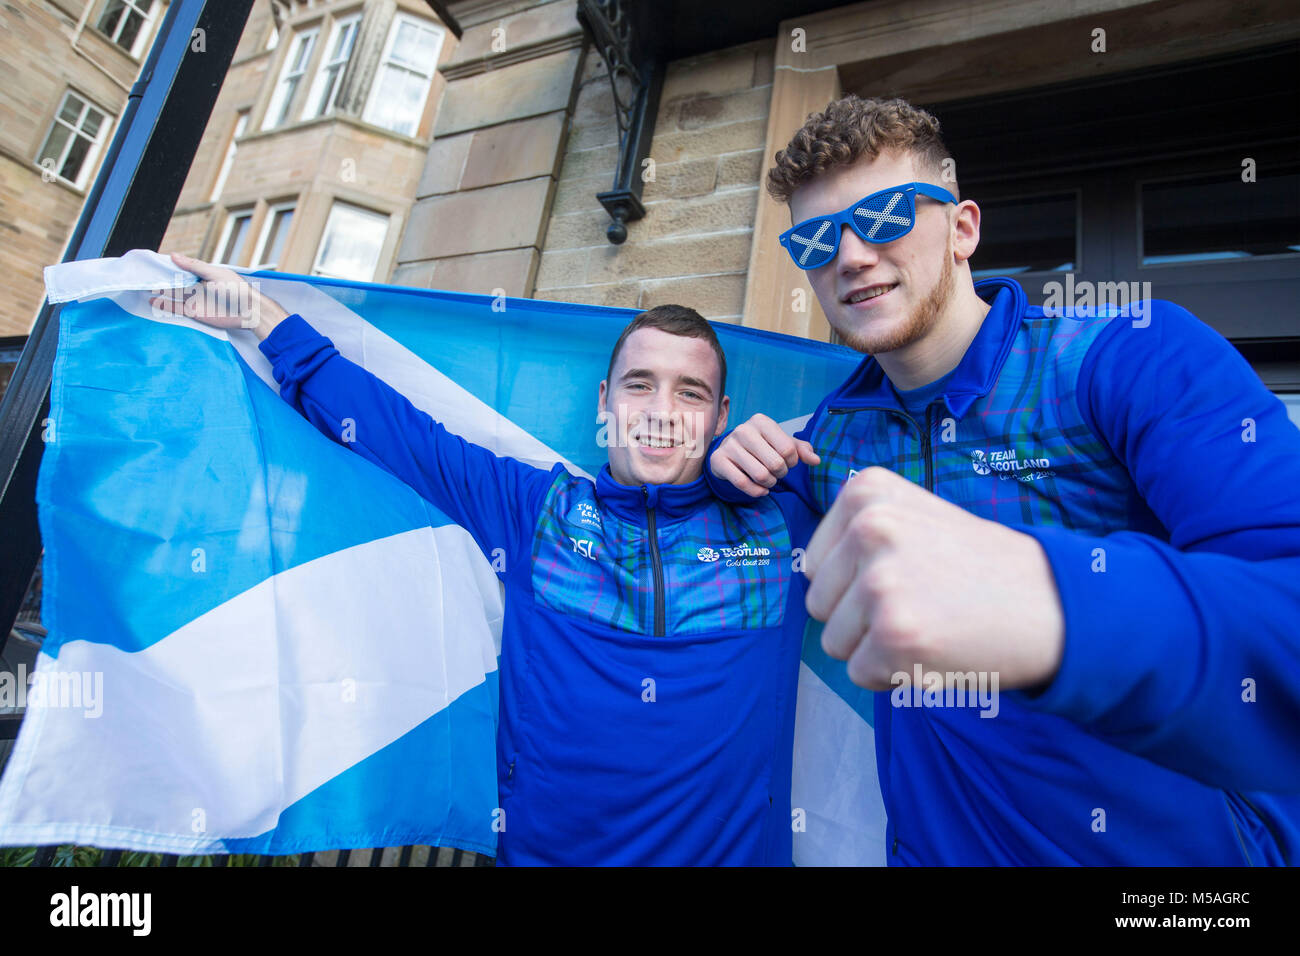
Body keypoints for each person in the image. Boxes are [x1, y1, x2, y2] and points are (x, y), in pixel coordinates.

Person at [706, 94, 1300, 864]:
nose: (850, 255)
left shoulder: (1127, 361)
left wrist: (1047, 598)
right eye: (818, 239)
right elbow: (730, 536)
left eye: (885, 217)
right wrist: (726, 470)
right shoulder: (832, 438)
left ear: (963, 228)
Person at [151, 251, 818, 866]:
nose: (661, 412)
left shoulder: (776, 521)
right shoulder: (539, 512)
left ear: (721, 414)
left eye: (690, 394)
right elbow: (399, 432)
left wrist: (771, 473)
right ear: (604, 404)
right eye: (639, 385)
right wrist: (265, 319)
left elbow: (892, 460)